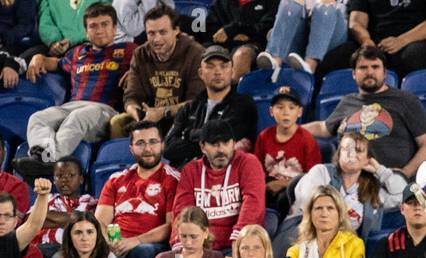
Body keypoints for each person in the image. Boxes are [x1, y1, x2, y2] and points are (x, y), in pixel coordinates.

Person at [15, 3, 135, 178]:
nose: (99, 30)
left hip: (104, 110)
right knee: (38, 118)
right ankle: (41, 156)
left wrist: (135, 72)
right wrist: (38, 57)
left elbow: (150, 63)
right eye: (93, 26)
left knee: (76, 118)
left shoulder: (129, 50)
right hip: (73, 105)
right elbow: (54, 63)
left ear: (114, 27)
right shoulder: (78, 53)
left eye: (104, 24)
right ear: (86, 31)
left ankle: (49, 161)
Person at [304, 46, 426, 178]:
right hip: (351, 179)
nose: (369, 72)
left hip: (388, 180)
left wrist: (404, 174)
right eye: (363, 67)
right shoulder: (347, 101)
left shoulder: (406, 101)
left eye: (375, 67)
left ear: (384, 72)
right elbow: (324, 127)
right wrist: (290, 127)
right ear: (354, 74)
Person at [291, 129, 404, 241]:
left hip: (349, 249)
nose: (352, 154)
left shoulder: (373, 190)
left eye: (358, 150)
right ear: (339, 154)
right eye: (347, 149)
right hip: (309, 238)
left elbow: (401, 195)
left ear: (368, 159)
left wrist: (380, 171)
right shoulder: (321, 172)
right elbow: (309, 207)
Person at [95, 119, 180, 258]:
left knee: (141, 252)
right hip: (116, 243)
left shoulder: (173, 179)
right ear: (131, 149)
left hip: (149, 245)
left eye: (153, 142)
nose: (147, 148)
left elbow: (171, 226)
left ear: (162, 145)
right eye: (140, 143)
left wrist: (136, 241)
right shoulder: (116, 179)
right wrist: (110, 243)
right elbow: (100, 221)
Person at [172, 119, 266, 252]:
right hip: (200, 246)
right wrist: (182, 244)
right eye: (214, 144)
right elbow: (182, 210)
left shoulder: (248, 162)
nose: (221, 149)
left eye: (226, 143)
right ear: (203, 147)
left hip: (236, 245)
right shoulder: (191, 170)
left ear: (234, 144)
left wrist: (239, 239)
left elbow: (253, 203)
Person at [111, 5, 201, 138]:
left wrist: (163, 112)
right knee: (117, 123)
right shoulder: (140, 54)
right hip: (148, 117)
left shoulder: (195, 53)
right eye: (151, 33)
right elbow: (132, 96)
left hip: (182, 117)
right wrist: (136, 113)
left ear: (176, 30)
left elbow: (196, 102)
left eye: (163, 32)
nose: (157, 39)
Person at [162, 44, 259, 166]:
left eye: (224, 66)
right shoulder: (189, 108)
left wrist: (188, 134)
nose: (218, 72)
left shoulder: (243, 104)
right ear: (201, 73)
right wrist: (206, 142)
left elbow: (222, 140)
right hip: (183, 174)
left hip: (223, 176)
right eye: (210, 67)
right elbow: (168, 149)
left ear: (232, 71)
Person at [318, 0, 426, 77]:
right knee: (335, 60)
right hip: (375, 43)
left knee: (416, 55)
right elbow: (356, 21)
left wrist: (401, 41)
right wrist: (365, 41)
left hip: (415, 41)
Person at [254, 86, 321, 214]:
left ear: (299, 112)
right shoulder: (264, 136)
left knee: (284, 199)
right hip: (269, 185)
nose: (286, 112)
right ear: (271, 111)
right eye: (280, 107)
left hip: (296, 188)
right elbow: (256, 170)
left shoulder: (307, 139)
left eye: (291, 108)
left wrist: (282, 184)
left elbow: (313, 178)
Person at [257, 0, 347, 75]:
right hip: (302, 41)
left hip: (333, 39)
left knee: (325, 8)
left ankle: (310, 67)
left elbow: (355, 22)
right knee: (290, 4)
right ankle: (275, 60)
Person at [35, 156, 95, 249]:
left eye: (71, 175)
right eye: (59, 176)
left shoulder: (89, 201)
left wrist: (46, 217)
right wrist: (73, 219)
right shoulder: (46, 198)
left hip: (71, 249)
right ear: (54, 180)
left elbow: (87, 223)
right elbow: (30, 220)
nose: (64, 180)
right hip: (42, 246)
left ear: (81, 179)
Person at [207, 0, 275, 81]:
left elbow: (268, 27)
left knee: (242, 56)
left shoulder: (271, 2)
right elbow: (211, 30)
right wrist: (231, 35)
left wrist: (236, 28)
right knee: (205, 57)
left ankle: (236, 92)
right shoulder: (221, 3)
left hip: (255, 44)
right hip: (225, 44)